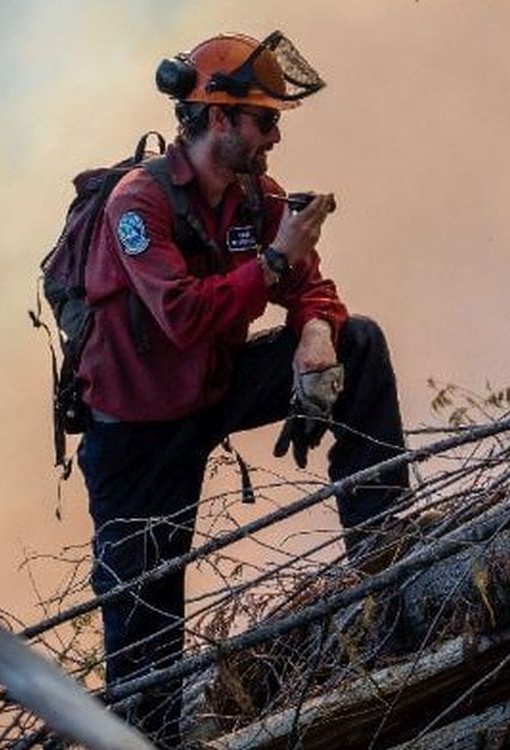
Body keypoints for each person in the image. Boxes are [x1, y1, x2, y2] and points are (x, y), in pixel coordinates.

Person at [74, 31, 410, 747]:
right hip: (137, 433)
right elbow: (182, 318)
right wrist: (275, 260)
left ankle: (390, 569)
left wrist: (315, 332)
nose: (276, 136)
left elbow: (312, 286)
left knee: (358, 343)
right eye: (265, 120)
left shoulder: (261, 197)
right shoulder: (137, 206)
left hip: (213, 391)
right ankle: (151, 735)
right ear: (219, 118)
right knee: (145, 628)